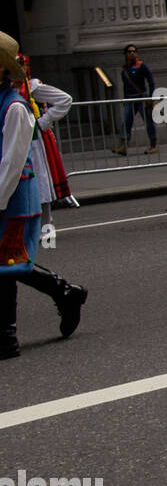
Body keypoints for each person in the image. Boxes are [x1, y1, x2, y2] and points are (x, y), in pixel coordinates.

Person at [1, 32, 88, 359]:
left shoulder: (15, 108)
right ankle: (66, 292)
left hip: (12, 196)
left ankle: (6, 338)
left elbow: (11, 162)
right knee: (8, 263)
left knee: (7, 264)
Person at [17, 53, 74, 226]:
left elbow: (64, 100)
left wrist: (43, 121)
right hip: (15, 139)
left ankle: (45, 223)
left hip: (33, 141)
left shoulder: (31, 87)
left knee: (39, 178)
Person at [114, 44, 156, 155]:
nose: (132, 53)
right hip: (129, 99)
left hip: (142, 98)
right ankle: (123, 145)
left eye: (134, 51)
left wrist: (151, 98)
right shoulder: (124, 69)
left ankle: (153, 145)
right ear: (125, 54)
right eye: (129, 51)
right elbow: (125, 85)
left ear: (137, 53)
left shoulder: (142, 66)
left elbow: (151, 81)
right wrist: (125, 99)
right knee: (126, 122)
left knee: (148, 122)